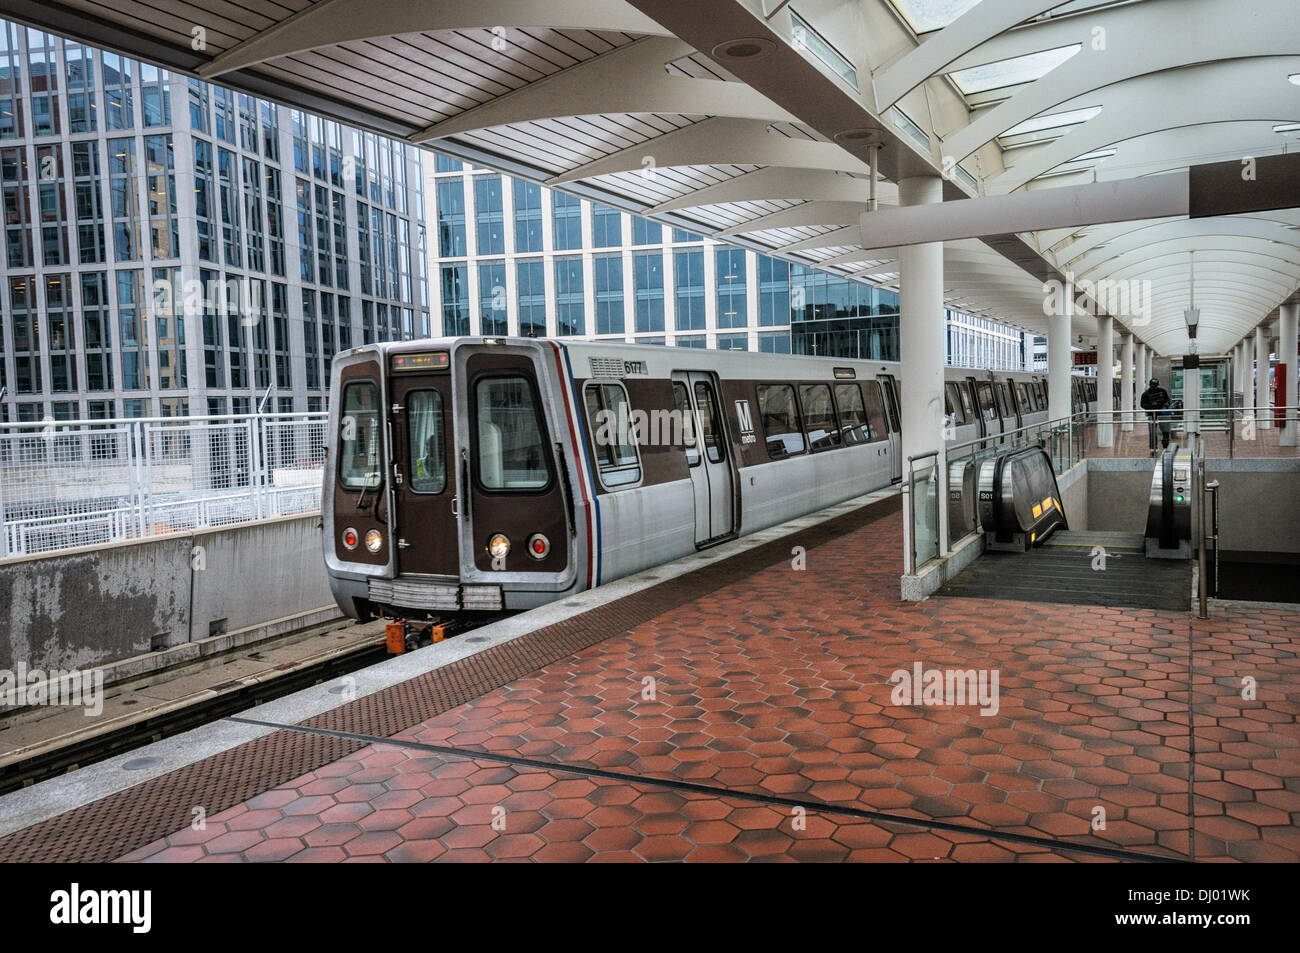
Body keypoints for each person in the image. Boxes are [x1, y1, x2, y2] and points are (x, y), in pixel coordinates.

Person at [1140, 377, 1172, 454]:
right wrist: (1151, 405)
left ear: (1158, 385)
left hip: (1163, 413)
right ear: (1150, 385)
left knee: (1165, 431)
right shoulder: (1145, 394)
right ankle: (1153, 448)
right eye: (1152, 385)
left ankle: (1166, 446)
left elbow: (1168, 399)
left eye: (1155, 385)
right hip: (1152, 415)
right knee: (1152, 432)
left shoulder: (1162, 391)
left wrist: (1167, 403)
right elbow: (1142, 405)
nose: (1154, 387)